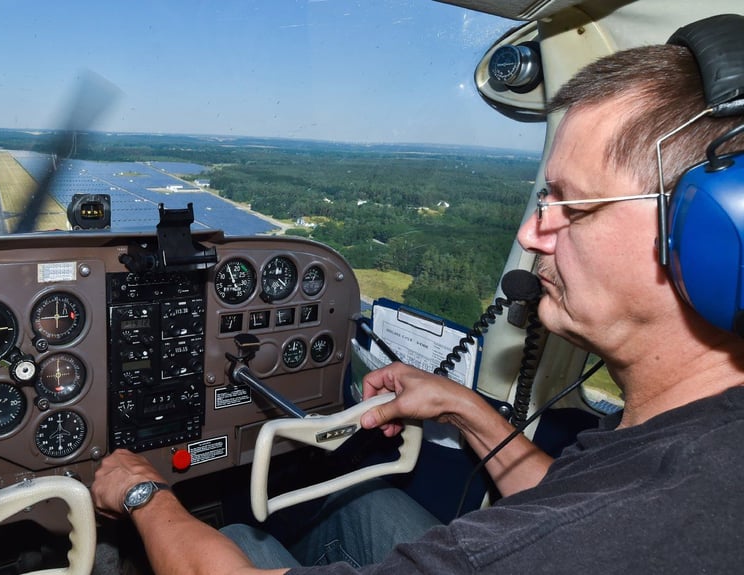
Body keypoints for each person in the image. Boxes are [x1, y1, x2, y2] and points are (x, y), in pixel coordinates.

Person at [91, 41, 744, 574]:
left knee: (238, 536)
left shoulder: (585, 538)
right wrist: (460, 403)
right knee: (365, 507)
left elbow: (573, 525)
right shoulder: (693, 437)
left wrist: (145, 494)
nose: (530, 233)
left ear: (707, 233)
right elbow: (567, 496)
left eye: (567, 206)